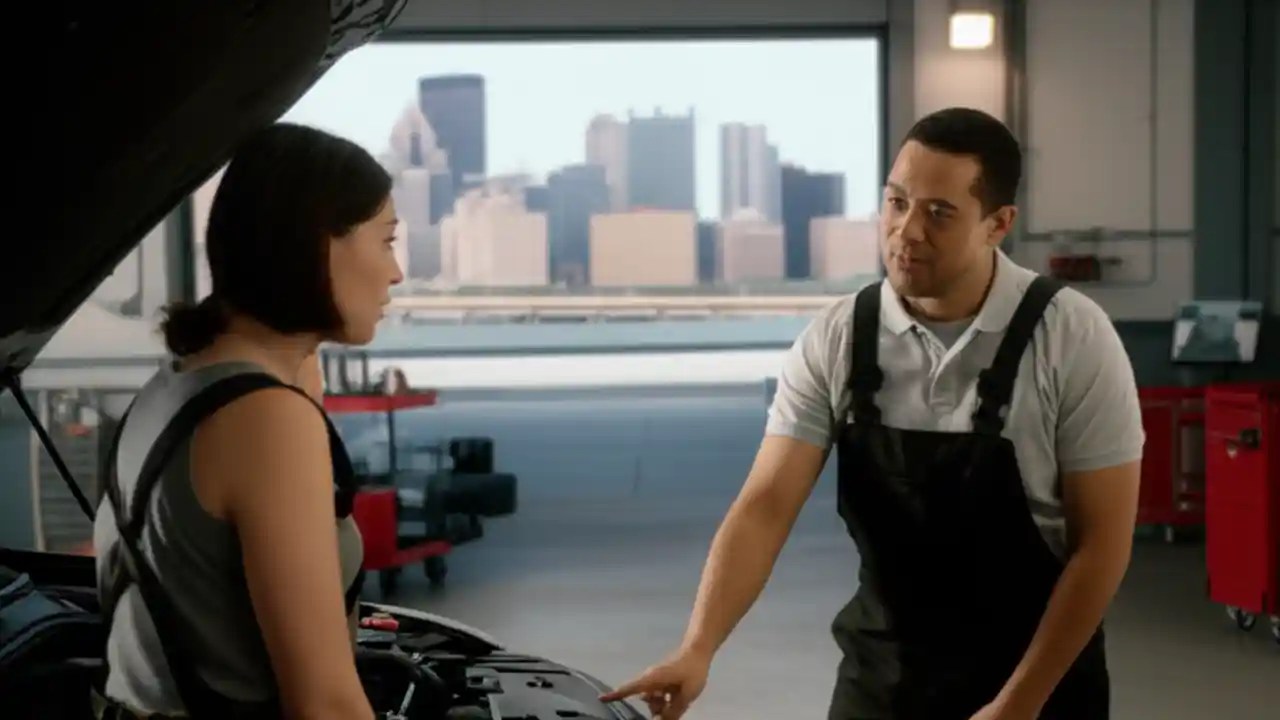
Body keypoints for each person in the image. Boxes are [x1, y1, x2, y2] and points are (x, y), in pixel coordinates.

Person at [601, 107, 1144, 720]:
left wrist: (1019, 703)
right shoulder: (839, 336)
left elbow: (1102, 545)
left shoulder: (1072, 336)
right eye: (896, 202)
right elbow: (765, 507)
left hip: (1039, 682)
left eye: (939, 213)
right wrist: (697, 648)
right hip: (884, 678)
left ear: (998, 224)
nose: (907, 231)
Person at [91, 122, 403, 719]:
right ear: (315, 243)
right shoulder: (265, 420)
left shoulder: (182, 382)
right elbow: (325, 706)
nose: (396, 273)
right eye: (386, 240)